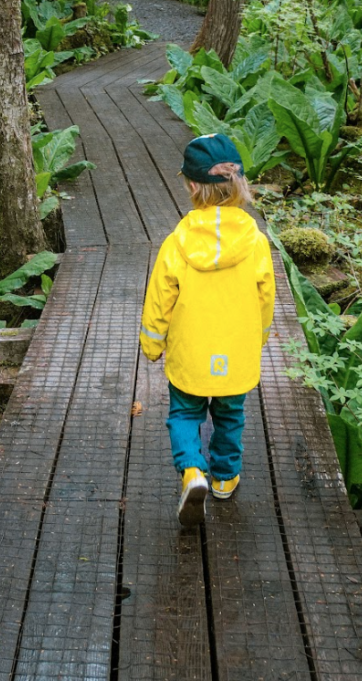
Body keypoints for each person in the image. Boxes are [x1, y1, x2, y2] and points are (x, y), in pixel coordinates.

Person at [140, 133, 276, 527]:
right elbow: (265, 297)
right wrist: (260, 336)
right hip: (236, 353)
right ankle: (225, 478)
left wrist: (152, 343)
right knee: (230, 417)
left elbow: (159, 298)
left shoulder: (176, 243)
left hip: (190, 354)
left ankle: (192, 470)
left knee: (184, 414)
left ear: (192, 186)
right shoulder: (256, 243)